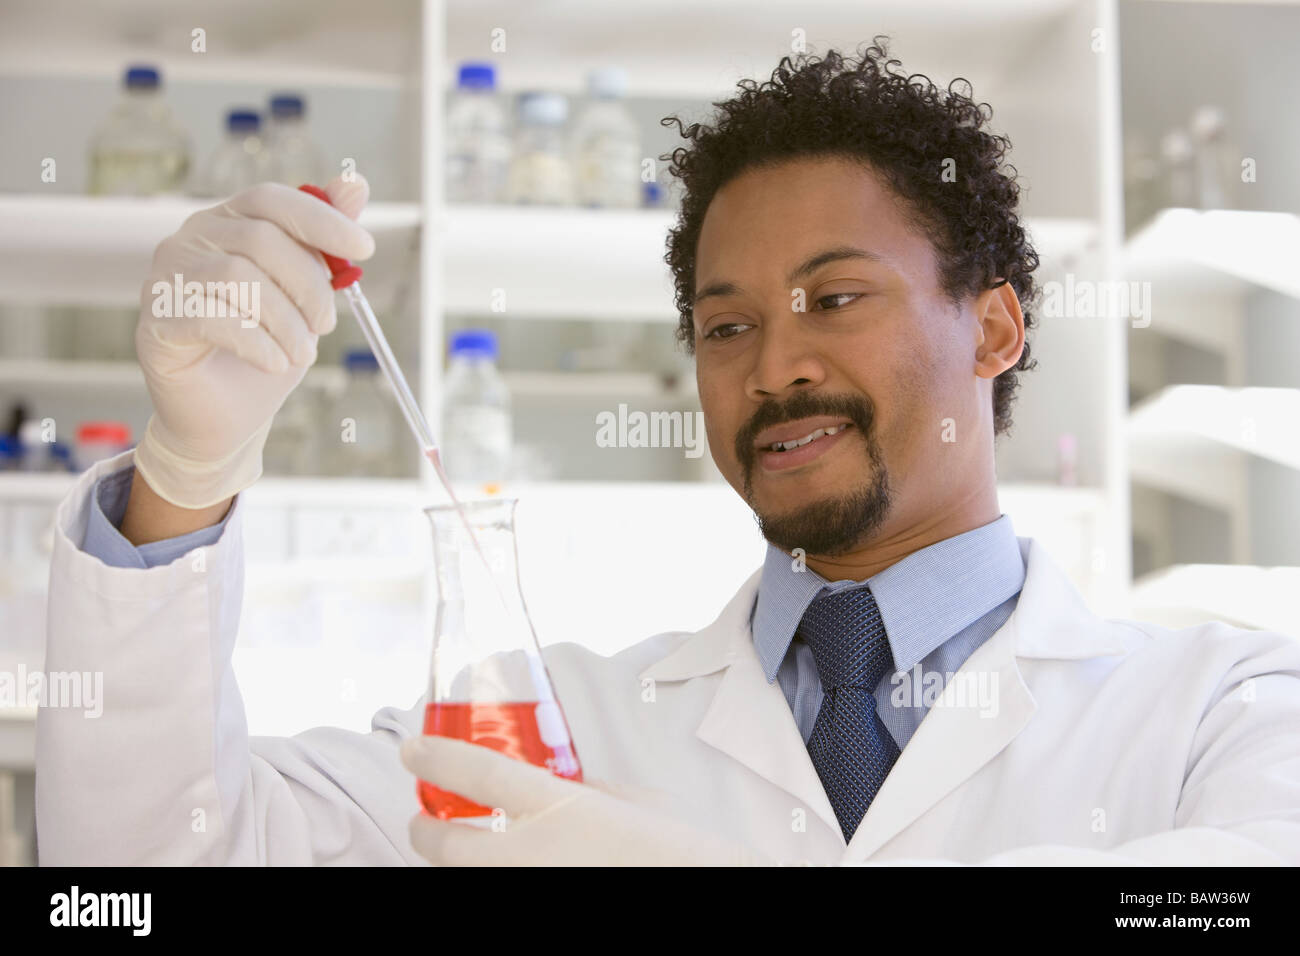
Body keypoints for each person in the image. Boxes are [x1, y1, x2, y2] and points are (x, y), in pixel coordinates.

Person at [38, 42, 1300, 865]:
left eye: (835, 297)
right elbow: (142, 871)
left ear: (996, 323)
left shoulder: (1218, 703)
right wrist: (180, 485)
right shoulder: (547, 734)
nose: (773, 364)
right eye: (724, 324)